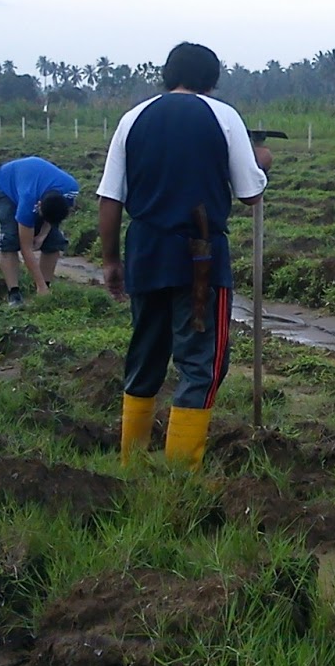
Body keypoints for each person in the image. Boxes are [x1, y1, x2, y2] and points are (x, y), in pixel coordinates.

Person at [97, 42, 272, 469]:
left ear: (167, 73)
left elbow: (109, 197)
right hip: (202, 257)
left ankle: (131, 463)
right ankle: (181, 473)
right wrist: (262, 162)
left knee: (145, 354)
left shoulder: (132, 118)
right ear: (211, 79)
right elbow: (250, 193)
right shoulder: (223, 116)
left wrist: (111, 260)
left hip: (145, 252)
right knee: (200, 362)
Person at [0, 156, 78, 307]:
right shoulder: (28, 199)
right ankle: (14, 294)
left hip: (34, 180)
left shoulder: (71, 189)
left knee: (54, 241)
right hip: (6, 183)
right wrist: (40, 285)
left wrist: (43, 235)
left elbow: (53, 220)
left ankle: (44, 289)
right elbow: (27, 249)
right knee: (10, 239)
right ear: (38, 206)